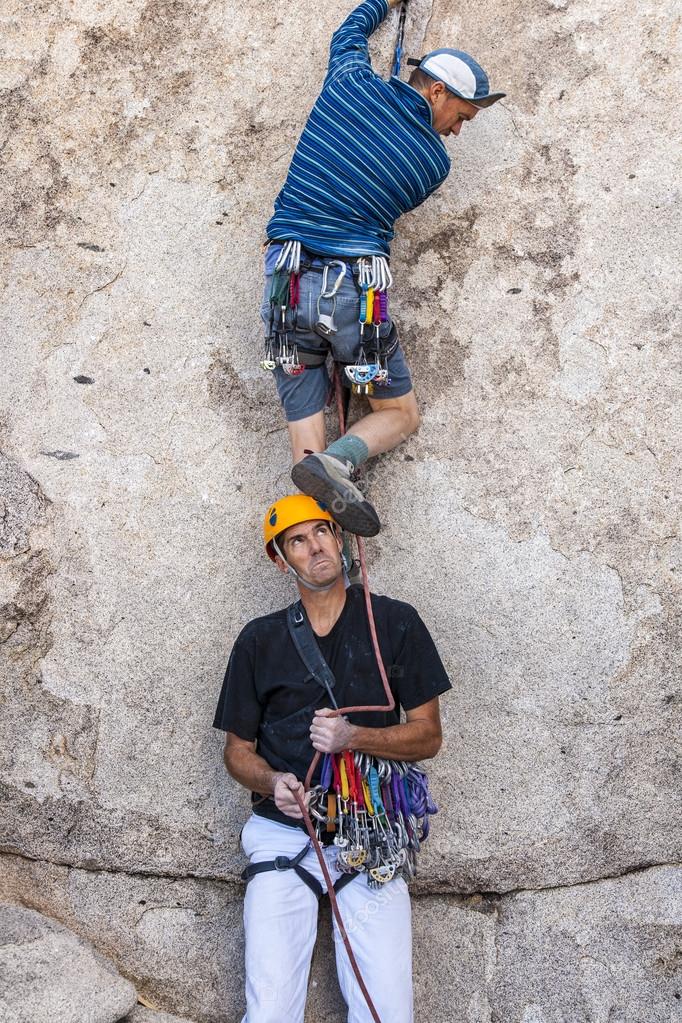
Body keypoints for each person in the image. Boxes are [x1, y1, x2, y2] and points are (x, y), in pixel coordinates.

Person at [259, 0, 506, 537]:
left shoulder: (347, 79)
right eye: (461, 117)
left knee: (304, 434)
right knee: (398, 415)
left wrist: (383, 4)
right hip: (353, 294)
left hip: (286, 282)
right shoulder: (431, 163)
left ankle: (316, 526)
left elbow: (349, 31)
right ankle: (342, 460)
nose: (457, 133)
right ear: (436, 91)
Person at [213, 495, 452, 1022]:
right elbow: (237, 753)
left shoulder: (395, 623)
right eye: (297, 540)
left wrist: (353, 737)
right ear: (281, 559)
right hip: (282, 831)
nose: (315, 546)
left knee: (387, 1010)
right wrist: (274, 780)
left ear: (340, 539)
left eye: (322, 531)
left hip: (370, 831)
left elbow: (427, 735)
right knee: (270, 1009)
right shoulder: (259, 640)